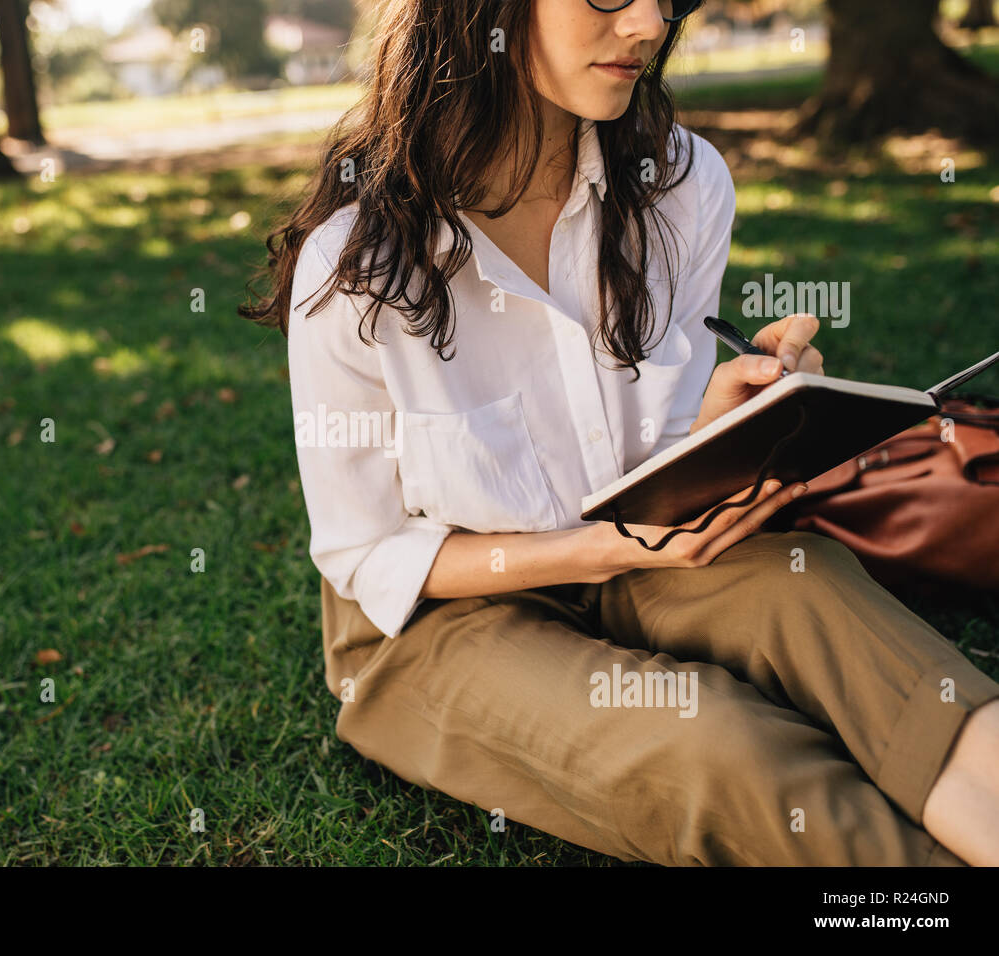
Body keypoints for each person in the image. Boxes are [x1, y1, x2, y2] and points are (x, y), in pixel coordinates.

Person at [239, 0, 999, 865]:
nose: (647, 23)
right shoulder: (357, 269)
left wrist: (731, 423)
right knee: (712, 746)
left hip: (645, 534)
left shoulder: (681, 182)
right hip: (436, 616)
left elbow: (653, 455)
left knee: (814, 591)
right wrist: (610, 551)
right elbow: (366, 555)